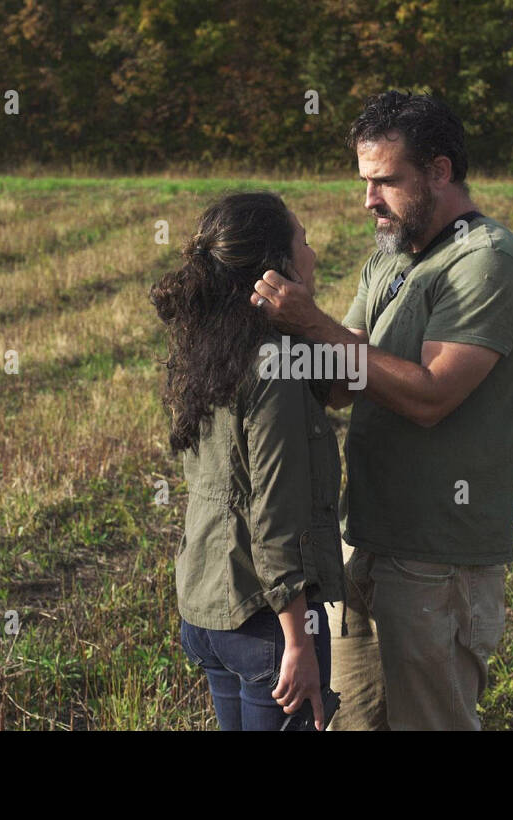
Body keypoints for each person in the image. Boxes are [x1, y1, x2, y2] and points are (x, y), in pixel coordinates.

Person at [251, 91, 513, 730]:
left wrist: (310, 321)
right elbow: (341, 381)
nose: (369, 200)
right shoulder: (391, 256)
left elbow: (431, 396)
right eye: (365, 181)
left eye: (385, 180)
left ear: (438, 172)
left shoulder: (484, 262)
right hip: (364, 541)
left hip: (438, 558)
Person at [151, 191, 345, 730]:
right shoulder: (275, 368)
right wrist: (298, 642)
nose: (313, 253)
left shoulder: (206, 351)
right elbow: (276, 514)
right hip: (268, 626)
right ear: (276, 270)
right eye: (302, 241)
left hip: (210, 610)